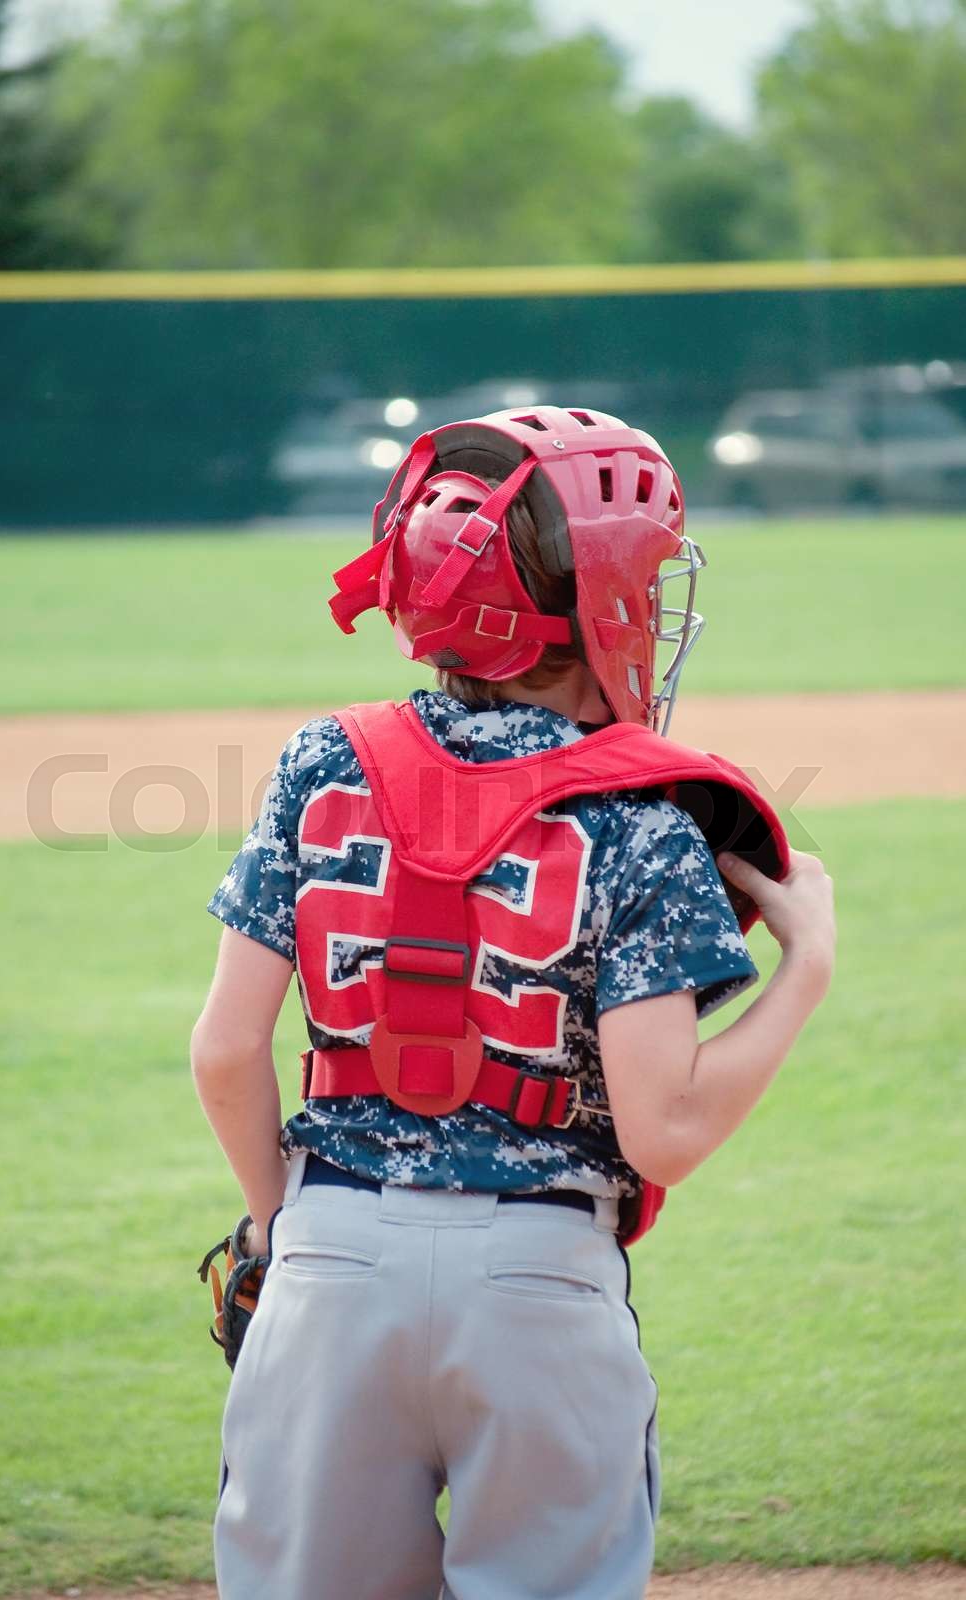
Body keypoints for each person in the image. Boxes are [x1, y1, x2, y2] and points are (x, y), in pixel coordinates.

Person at [191, 405, 835, 1600]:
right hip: (538, 1282)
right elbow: (667, 1132)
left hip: (329, 1260)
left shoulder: (319, 761)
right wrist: (806, 970)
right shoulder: (644, 818)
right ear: (597, 606)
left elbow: (229, 1049)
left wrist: (281, 1226)